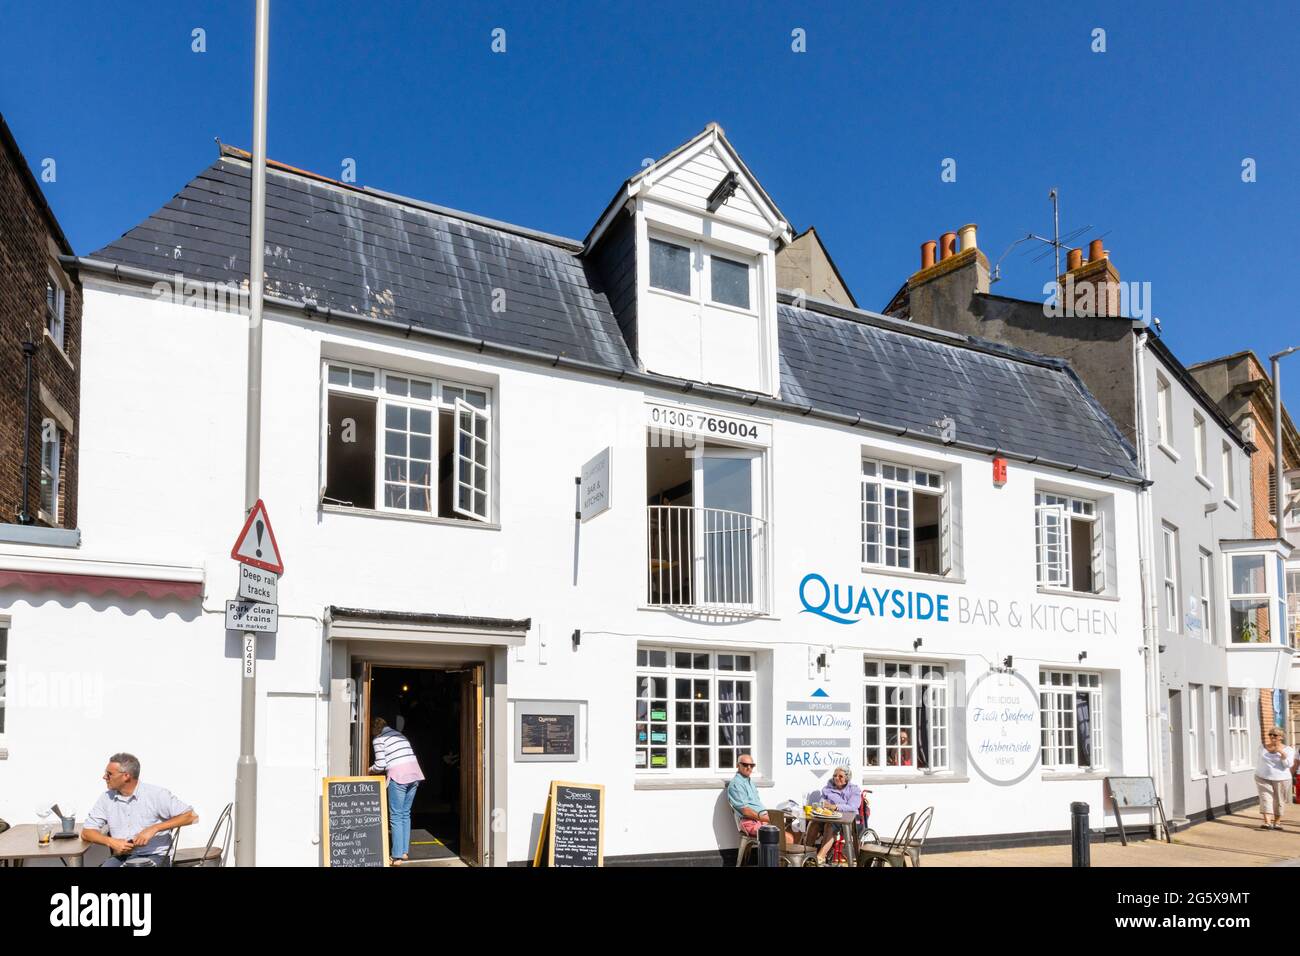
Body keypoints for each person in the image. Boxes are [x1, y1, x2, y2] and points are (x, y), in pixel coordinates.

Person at [81, 753, 197, 867]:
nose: (104, 777)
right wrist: (112, 842)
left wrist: (154, 828)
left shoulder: (156, 794)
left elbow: (191, 816)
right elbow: (86, 833)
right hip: (121, 857)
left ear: (126, 776)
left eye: (109, 774)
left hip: (155, 855)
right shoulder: (106, 798)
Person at [370, 716, 425, 865]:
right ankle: (404, 852)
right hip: (414, 774)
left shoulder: (379, 739)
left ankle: (396, 856)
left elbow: (380, 765)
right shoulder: (399, 735)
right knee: (405, 813)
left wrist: (370, 770)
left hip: (399, 776)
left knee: (395, 816)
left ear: (374, 730)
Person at [725, 754, 793, 847]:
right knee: (787, 837)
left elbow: (755, 805)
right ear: (738, 765)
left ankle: (786, 860)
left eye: (751, 765)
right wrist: (770, 818)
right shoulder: (736, 785)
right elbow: (746, 812)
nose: (749, 768)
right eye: (745, 765)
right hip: (751, 822)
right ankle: (779, 861)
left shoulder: (748, 781)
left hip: (761, 820)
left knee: (795, 831)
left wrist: (770, 818)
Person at [808, 766, 863, 865]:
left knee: (830, 825)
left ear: (847, 778)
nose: (837, 778)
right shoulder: (827, 789)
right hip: (829, 817)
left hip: (848, 820)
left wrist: (835, 806)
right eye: (835, 776)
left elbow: (853, 806)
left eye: (840, 776)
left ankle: (820, 857)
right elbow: (822, 801)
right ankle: (807, 853)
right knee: (814, 823)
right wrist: (822, 806)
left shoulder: (854, 790)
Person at [1255, 730, 1298, 830]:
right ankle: (1267, 822)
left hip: (1281, 778)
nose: (1272, 736)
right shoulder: (1262, 747)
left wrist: (1282, 753)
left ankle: (1277, 822)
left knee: (1279, 800)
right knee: (1265, 798)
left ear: (1281, 737)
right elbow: (1259, 760)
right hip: (1262, 777)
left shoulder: (1289, 750)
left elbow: (1288, 765)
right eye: (1270, 734)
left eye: (1275, 735)